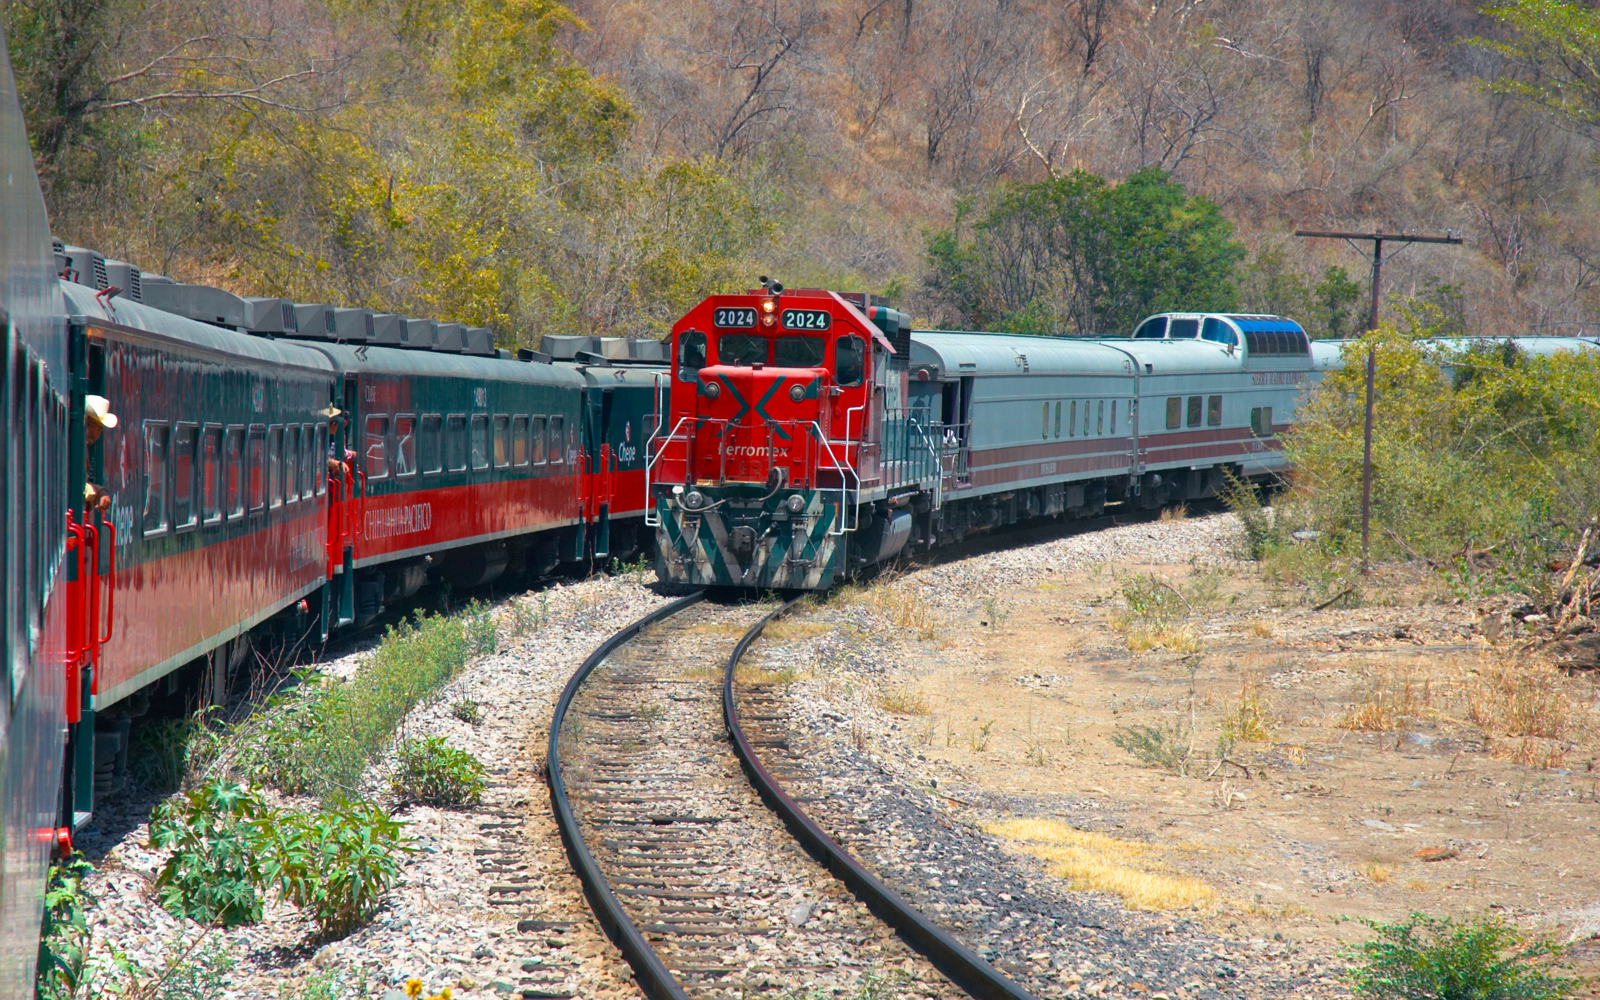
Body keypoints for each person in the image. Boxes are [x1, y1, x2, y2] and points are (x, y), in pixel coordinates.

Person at [84, 395, 117, 512]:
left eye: (99, 429)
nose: (95, 433)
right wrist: (97, 491)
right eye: (91, 426)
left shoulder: (85, 449)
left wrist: (99, 490)